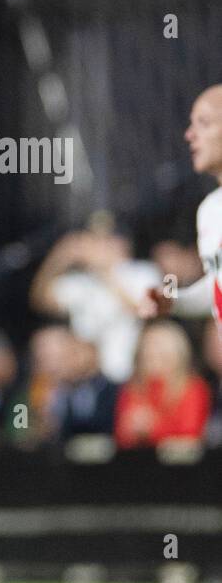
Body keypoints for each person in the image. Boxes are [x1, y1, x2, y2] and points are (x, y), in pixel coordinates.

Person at [30, 216, 160, 384]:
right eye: (94, 240)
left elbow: (144, 310)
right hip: (82, 372)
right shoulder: (83, 279)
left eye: (104, 240)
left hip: (123, 373)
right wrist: (59, 257)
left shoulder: (143, 272)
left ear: (121, 243)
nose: (96, 247)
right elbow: (40, 299)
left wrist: (105, 272)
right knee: (47, 341)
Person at [142, 84, 222, 338]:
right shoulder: (210, 210)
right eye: (191, 124)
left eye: (204, 123)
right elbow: (216, 286)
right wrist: (175, 299)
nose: (190, 135)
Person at [114, 320, 210, 449]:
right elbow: (121, 436)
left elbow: (190, 435)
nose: (151, 352)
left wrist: (152, 429)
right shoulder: (132, 388)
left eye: (159, 348)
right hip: (138, 462)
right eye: (148, 347)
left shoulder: (193, 388)